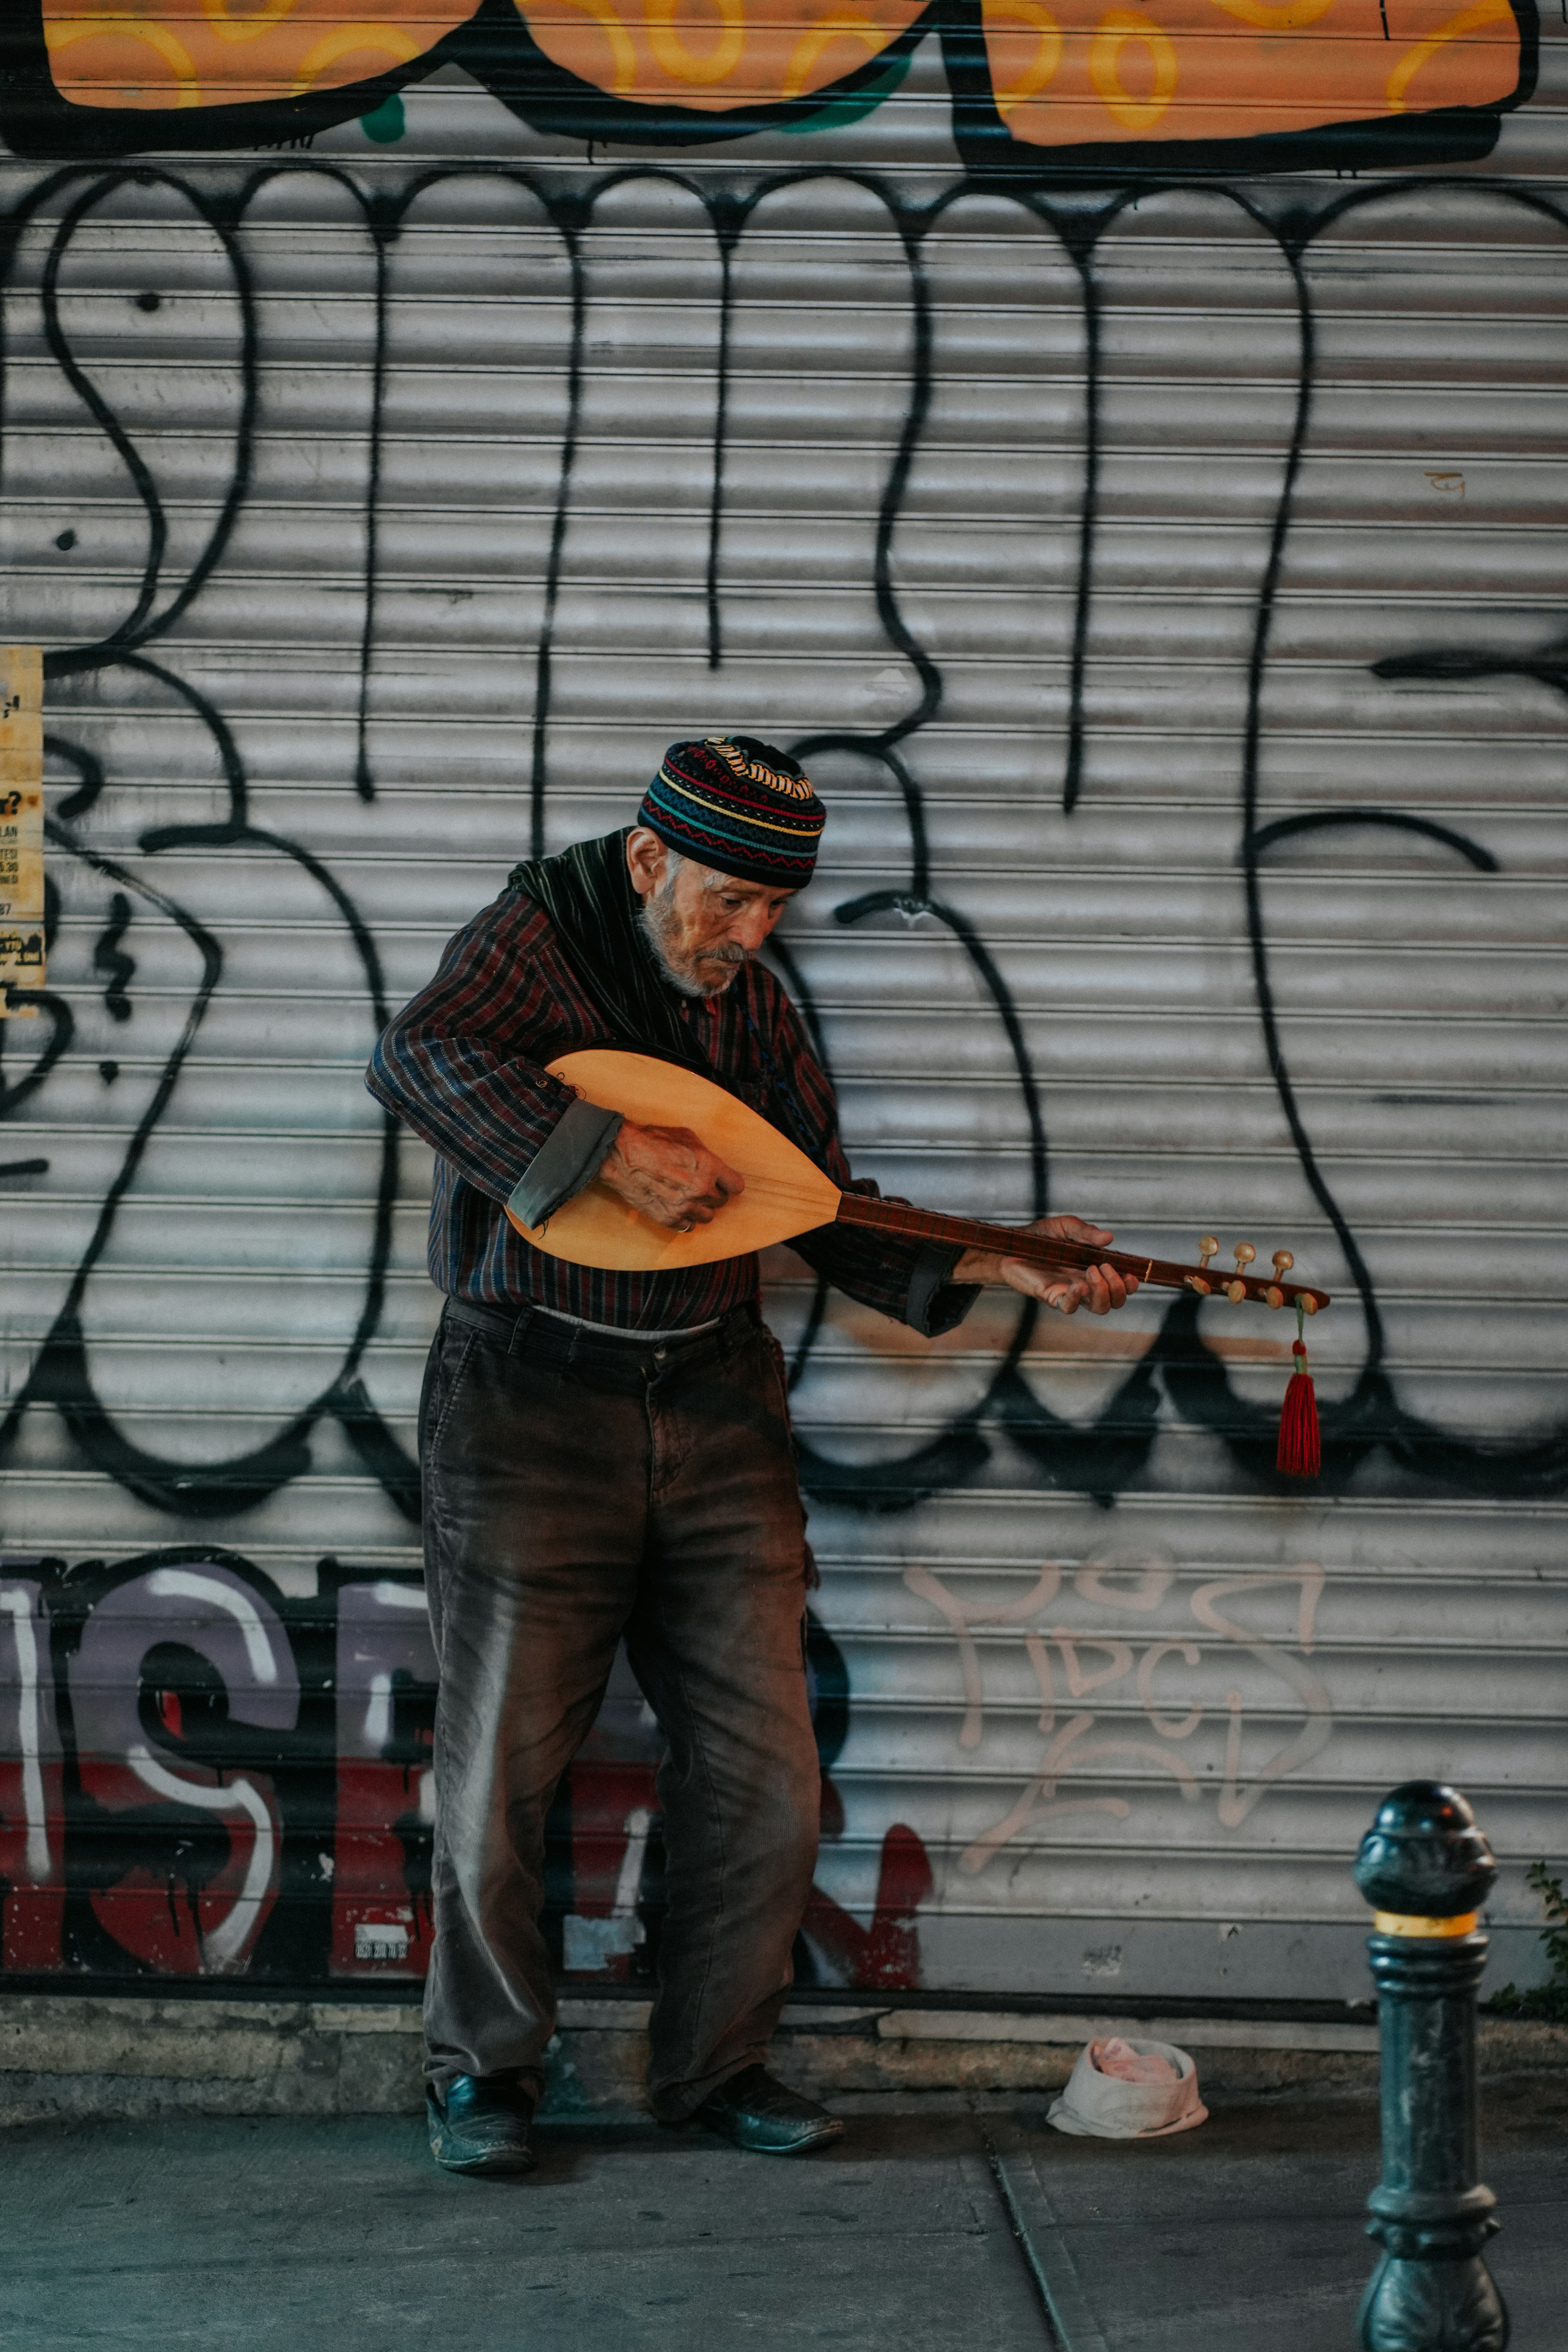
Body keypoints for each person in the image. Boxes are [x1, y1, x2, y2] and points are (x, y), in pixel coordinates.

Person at [365, 735, 1138, 2178]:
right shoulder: (542, 934)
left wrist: (1006, 1260)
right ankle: (484, 2074)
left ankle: (715, 2064)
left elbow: (816, 1208)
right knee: (501, 1773)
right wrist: (593, 1146)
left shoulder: (759, 1013)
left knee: (767, 1774)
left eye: (772, 910)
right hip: (530, 1396)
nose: (747, 937)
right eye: (725, 902)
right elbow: (413, 1057)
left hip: (718, 1403)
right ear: (651, 860)